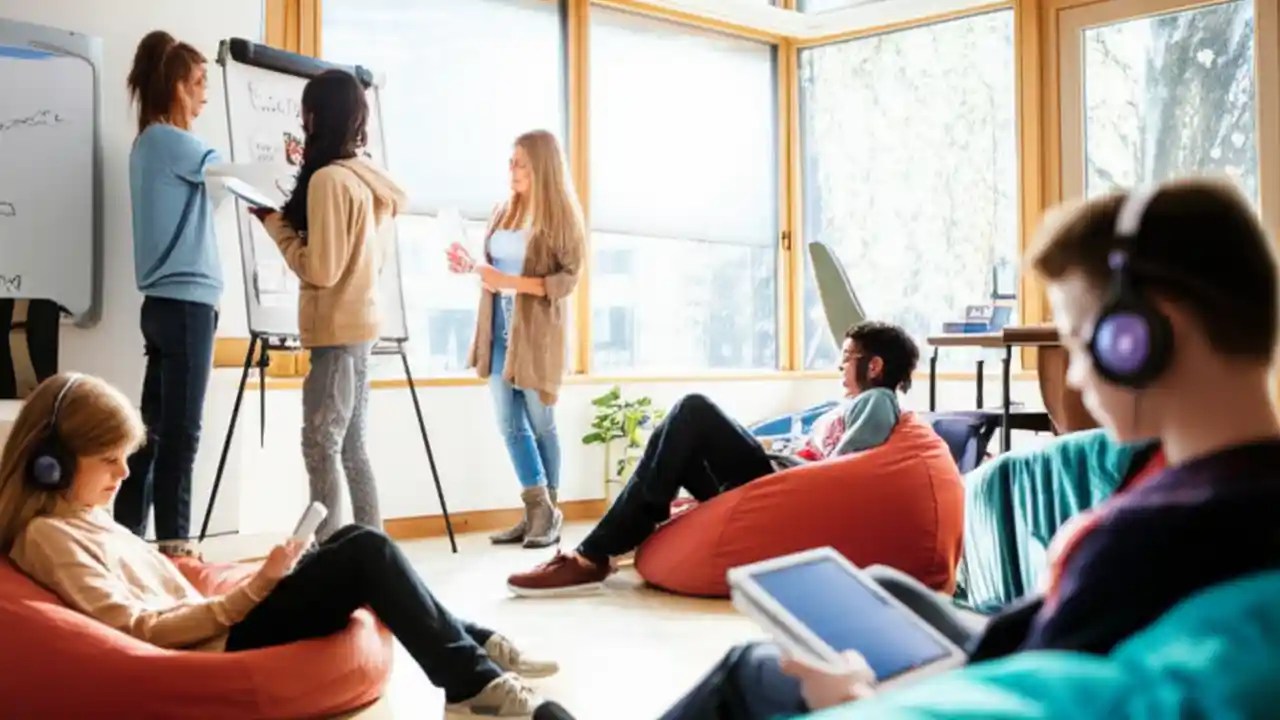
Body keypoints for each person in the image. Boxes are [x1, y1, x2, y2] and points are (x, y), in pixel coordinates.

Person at [656, 177, 1280, 719]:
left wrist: (866, 699)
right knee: (881, 587)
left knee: (749, 668)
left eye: (1077, 341)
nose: (1076, 376)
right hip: (1023, 650)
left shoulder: (1153, 537)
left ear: (1143, 334)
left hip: (988, 685)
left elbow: (1026, 696)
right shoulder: (1217, 476)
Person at [1, 373, 564, 718]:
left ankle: (473, 642)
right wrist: (253, 591)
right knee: (365, 552)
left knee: (348, 540)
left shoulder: (85, 515)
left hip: (219, 620)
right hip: (216, 642)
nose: (126, 474)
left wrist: (256, 577)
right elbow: (141, 627)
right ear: (51, 464)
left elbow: (161, 585)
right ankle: (473, 681)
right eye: (109, 461)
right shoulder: (48, 536)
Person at [506, 321, 920, 597]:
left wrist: (783, 461)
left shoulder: (878, 401)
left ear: (874, 365)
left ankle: (595, 555)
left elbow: (841, 474)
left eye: (847, 357)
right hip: (777, 478)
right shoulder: (849, 404)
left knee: (694, 409)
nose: (840, 365)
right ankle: (603, 549)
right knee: (673, 437)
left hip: (785, 491)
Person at [253, 69, 402, 540]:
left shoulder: (329, 180)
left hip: (336, 334)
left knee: (321, 447)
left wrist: (276, 226)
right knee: (352, 449)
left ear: (316, 115)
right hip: (360, 329)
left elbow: (321, 270)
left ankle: (331, 557)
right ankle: (373, 552)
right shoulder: (367, 179)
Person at [445, 130, 585, 550]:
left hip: (537, 333)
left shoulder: (562, 217)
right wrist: (472, 267)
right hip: (497, 326)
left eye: (521, 163)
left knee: (541, 423)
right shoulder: (502, 211)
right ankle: (538, 510)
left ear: (542, 166)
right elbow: (493, 272)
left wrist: (508, 281)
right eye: (511, 162)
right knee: (509, 421)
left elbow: (567, 281)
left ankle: (545, 513)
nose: (512, 170)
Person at [117, 30, 221, 556]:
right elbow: (227, 174)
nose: (205, 95)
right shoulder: (173, 142)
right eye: (199, 82)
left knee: (152, 431)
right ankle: (176, 546)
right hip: (186, 304)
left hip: (164, 305)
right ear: (178, 86)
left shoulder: (149, 143)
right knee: (181, 431)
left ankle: (126, 536)